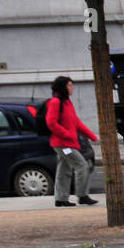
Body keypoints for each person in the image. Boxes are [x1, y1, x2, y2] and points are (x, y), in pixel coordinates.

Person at [45, 75, 98, 207]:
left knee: (64, 170)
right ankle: (82, 195)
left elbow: (77, 123)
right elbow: (51, 122)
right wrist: (67, 134)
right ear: (63, 87)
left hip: (67, 143)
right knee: (82, 166)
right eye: (69, 85)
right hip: (63, 144)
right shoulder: (55, 102)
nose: (72, 87)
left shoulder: (67, 103)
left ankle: (61, 199)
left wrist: (92, 135)